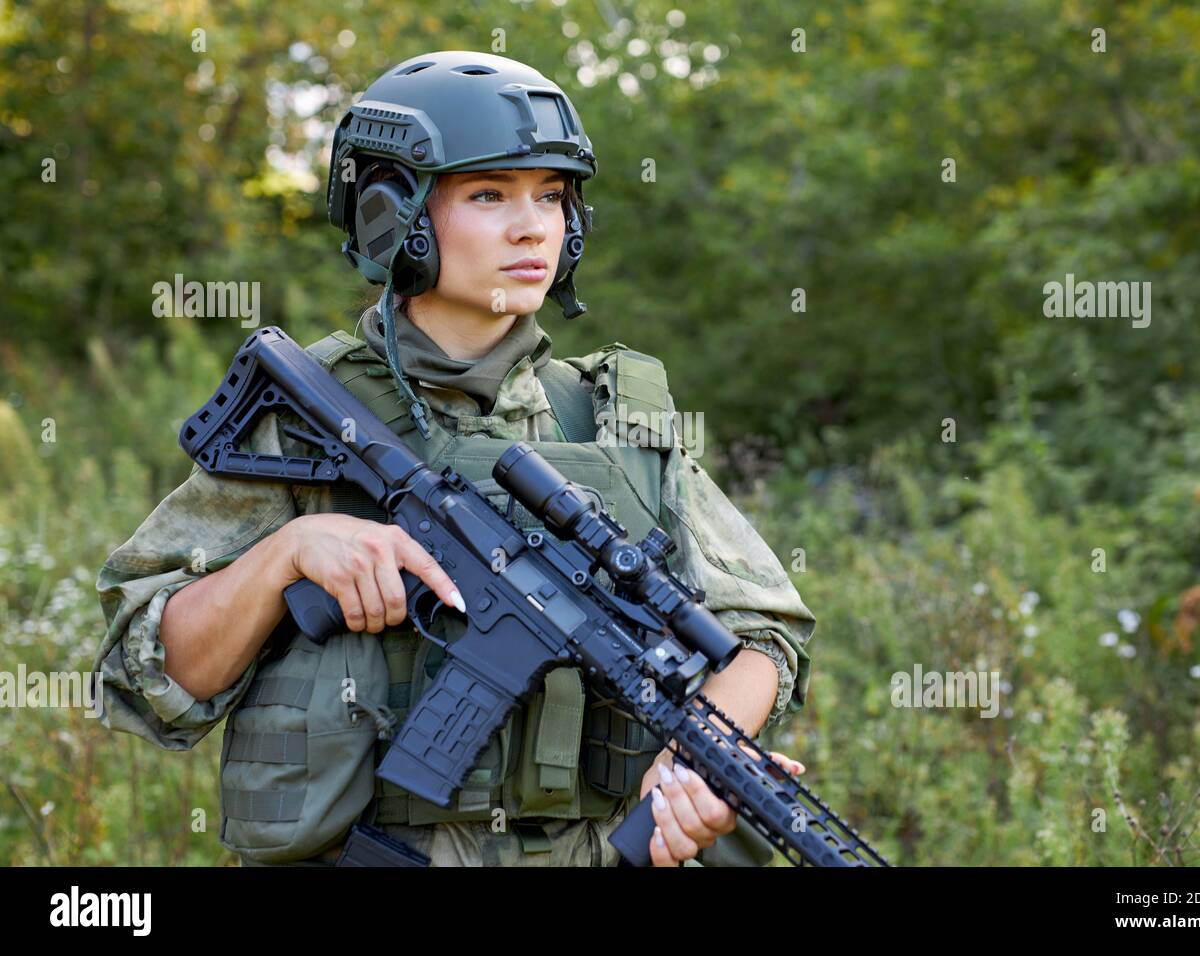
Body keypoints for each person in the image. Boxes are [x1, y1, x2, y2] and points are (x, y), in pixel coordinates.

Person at [93, 51, 816, 867]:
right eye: (488, 195)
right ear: (388, 214)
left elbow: (762, 633)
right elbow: (148, 669)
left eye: (551, 196)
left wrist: (693, 765)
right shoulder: (305, 415)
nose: (532, 226)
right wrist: (285, 556)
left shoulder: (614, 414)